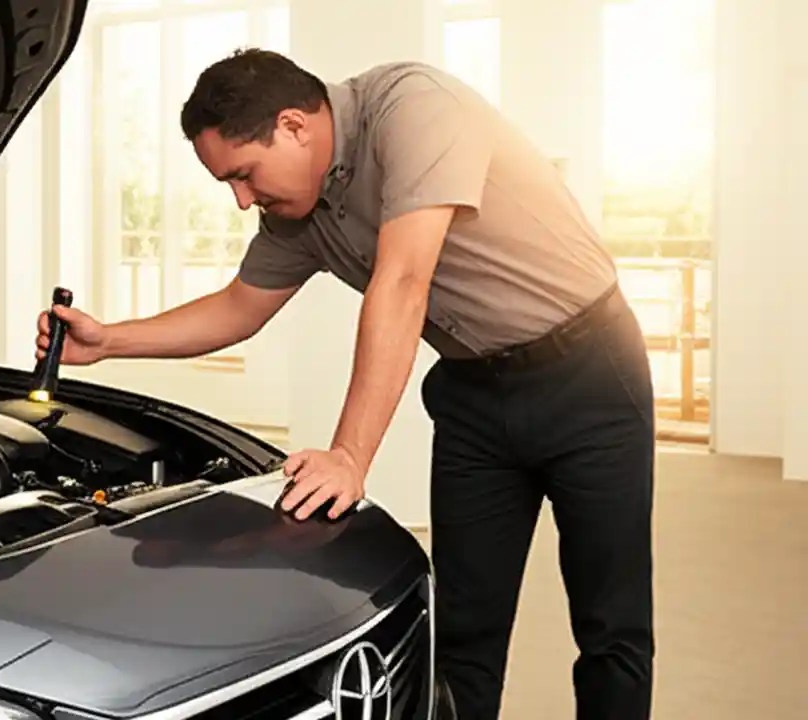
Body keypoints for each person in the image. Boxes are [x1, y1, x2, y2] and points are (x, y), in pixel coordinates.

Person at [35, 49, 654, 719]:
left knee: (609, 626)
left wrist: (350, 455)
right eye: (228, 186)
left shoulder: (414, 109)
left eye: (244, 175)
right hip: (475, 397)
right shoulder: (298, 215)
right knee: (461, 632)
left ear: (294, 125)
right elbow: (239, 308)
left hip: (589, 373)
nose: (244, 201)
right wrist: (110, 340)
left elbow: (402, 280)